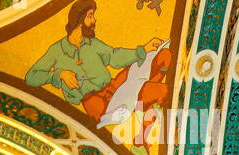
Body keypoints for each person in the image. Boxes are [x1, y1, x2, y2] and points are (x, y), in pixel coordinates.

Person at [25, 1, 168, 144]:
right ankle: (140, 142)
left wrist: (143, 49)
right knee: (160, 91)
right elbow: (31, 77)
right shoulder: (57, 51)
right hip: (97, 103)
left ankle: (143, 133)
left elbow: (114, 56)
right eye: (90, 16)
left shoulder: (92, 43)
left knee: (163, 56)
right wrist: (58, 75)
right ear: (79, 20)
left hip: (115, 87)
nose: (94, 20)